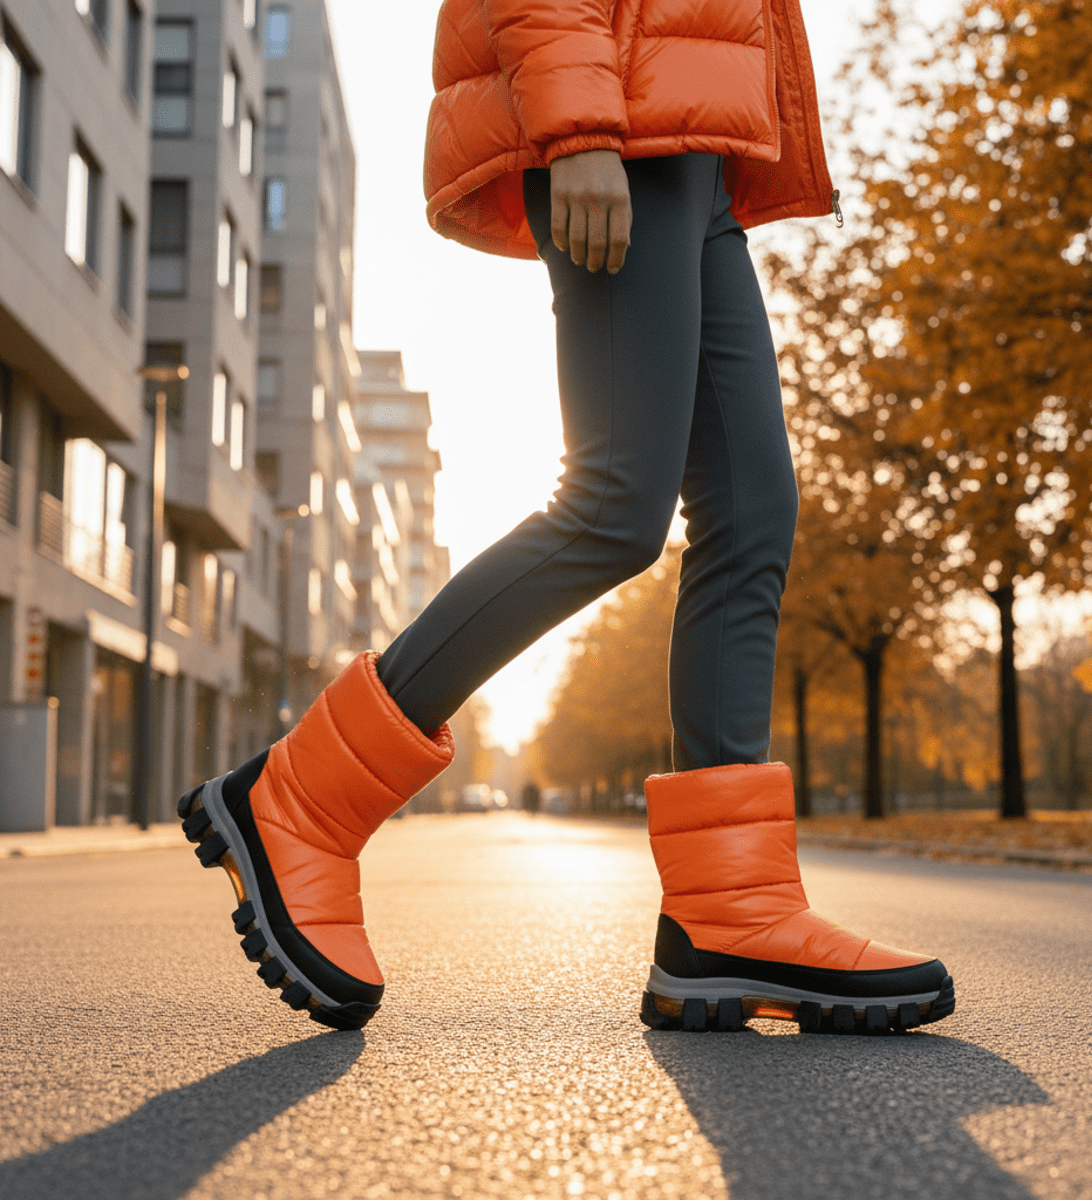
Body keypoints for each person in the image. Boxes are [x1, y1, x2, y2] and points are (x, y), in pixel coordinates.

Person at [179, 0, 954, 1034]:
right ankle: (300, 801)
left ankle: (731, 911)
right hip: (620, 117)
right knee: (612, 507)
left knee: (753, 510)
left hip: (696, 140)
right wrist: (579, 130)